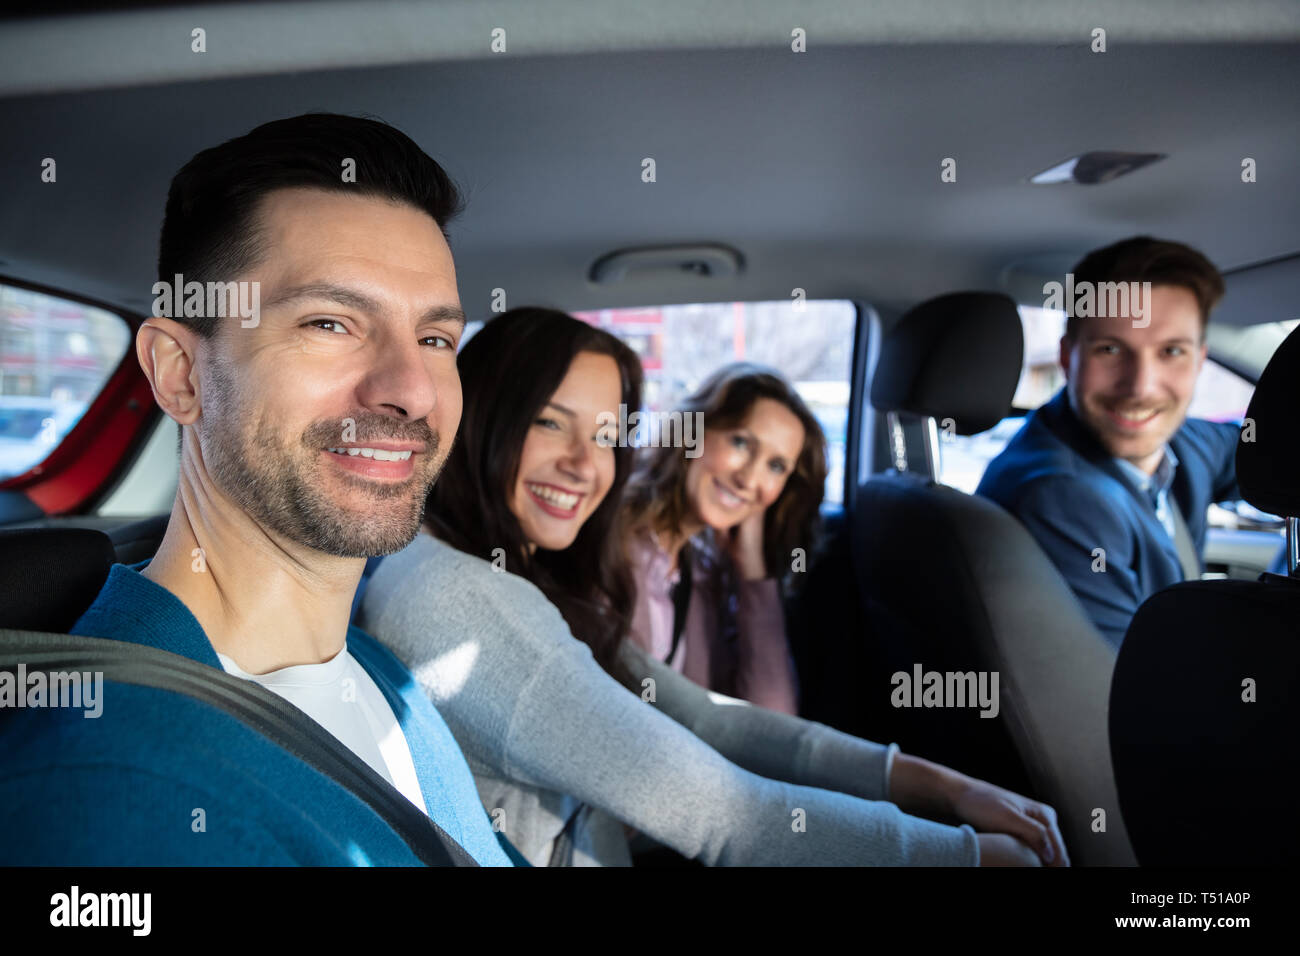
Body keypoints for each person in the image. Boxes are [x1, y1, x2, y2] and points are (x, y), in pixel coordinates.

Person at [362, 306, 1069, 867]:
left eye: (607, 436)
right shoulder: (463, 602)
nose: (585, 464)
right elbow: (728, 815)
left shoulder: (526, 573)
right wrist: (969, 856)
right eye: (550, 422)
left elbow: (707, 718)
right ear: (480, 415)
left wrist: (943, 785)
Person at [0, 113, 512, 865]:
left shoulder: (380, 675)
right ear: (179, 374)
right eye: (331, 323)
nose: (411, 390)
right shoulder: (113, 793)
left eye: (435, 339)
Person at [978, 236, 1240, 646]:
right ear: (1068, 357)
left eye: (1171, 351)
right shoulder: (1060, 497)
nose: (1140, 387)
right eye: (1110, 349)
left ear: (1200, 360)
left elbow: (1268, 456)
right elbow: (1139, 690)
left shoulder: (1183, 444)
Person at [620, 364, 823, 714]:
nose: (748, 478)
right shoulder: (613, 541)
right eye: (741, 442)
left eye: (775, 467)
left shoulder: (702, 573)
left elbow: (770, 718)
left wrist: (754, 575)